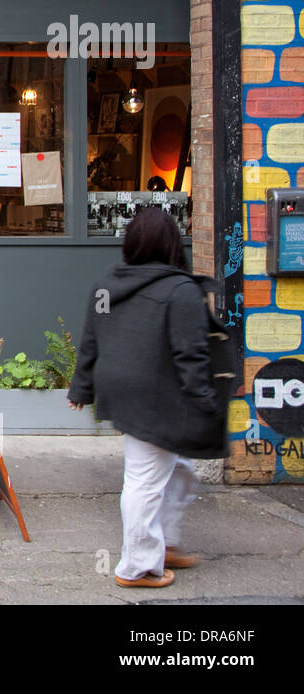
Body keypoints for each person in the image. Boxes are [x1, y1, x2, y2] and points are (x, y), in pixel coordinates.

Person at [68, 207, 225, 589]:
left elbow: (92, 339)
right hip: (159, 398)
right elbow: (191, 355)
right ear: (172, 243)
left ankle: (163, 543)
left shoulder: (107, 285)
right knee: (144, 479)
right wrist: (206, 400)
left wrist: (82, 388)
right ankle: (136, 566)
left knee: (178, 469)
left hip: (124, 393)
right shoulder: (180, 291)